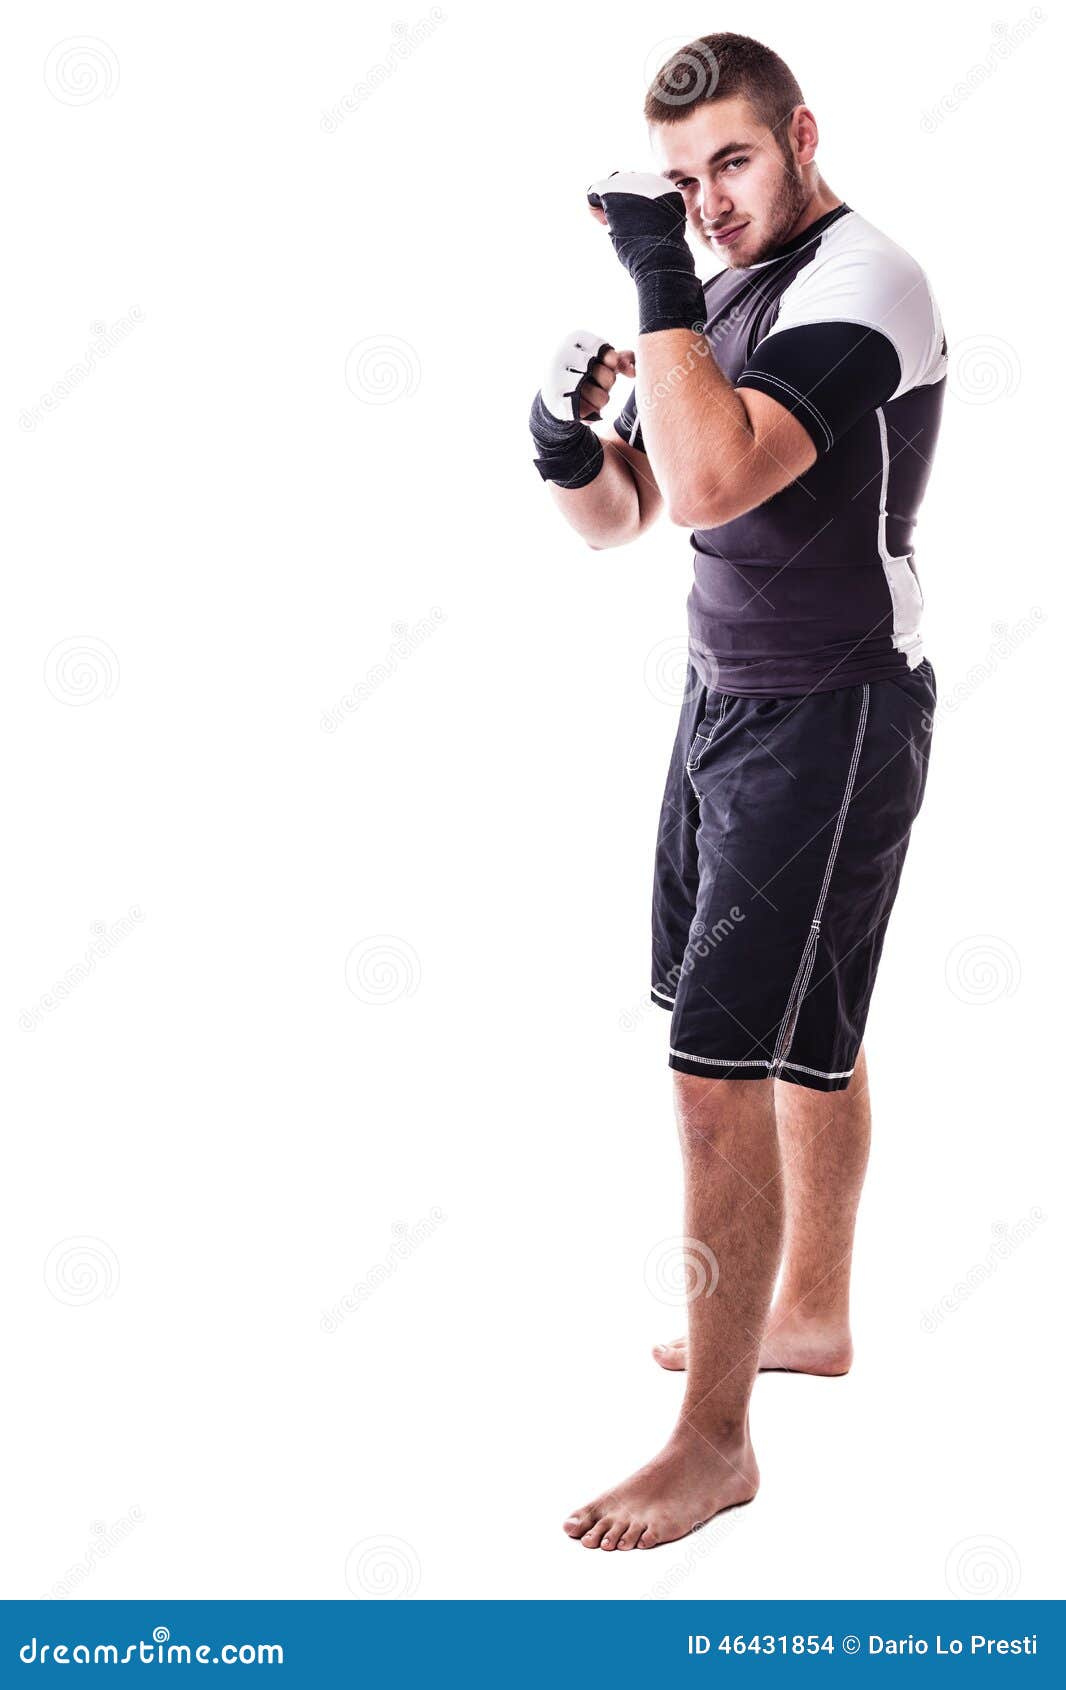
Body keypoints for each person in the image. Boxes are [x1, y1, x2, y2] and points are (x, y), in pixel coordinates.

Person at [529, 33, 946, 1552]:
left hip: (829, 714)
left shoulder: (865, 284)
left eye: (734, 163)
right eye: (683, 176)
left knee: (716, 1070)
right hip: (724, 705)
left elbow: (714, 480)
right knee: (802, 1038)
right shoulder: (719, 297)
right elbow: (633, 513)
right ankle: (811, 1312)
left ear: (800, 138)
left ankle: (712, 1445)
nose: (706, 202)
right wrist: (559, 444)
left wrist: (651, 282)